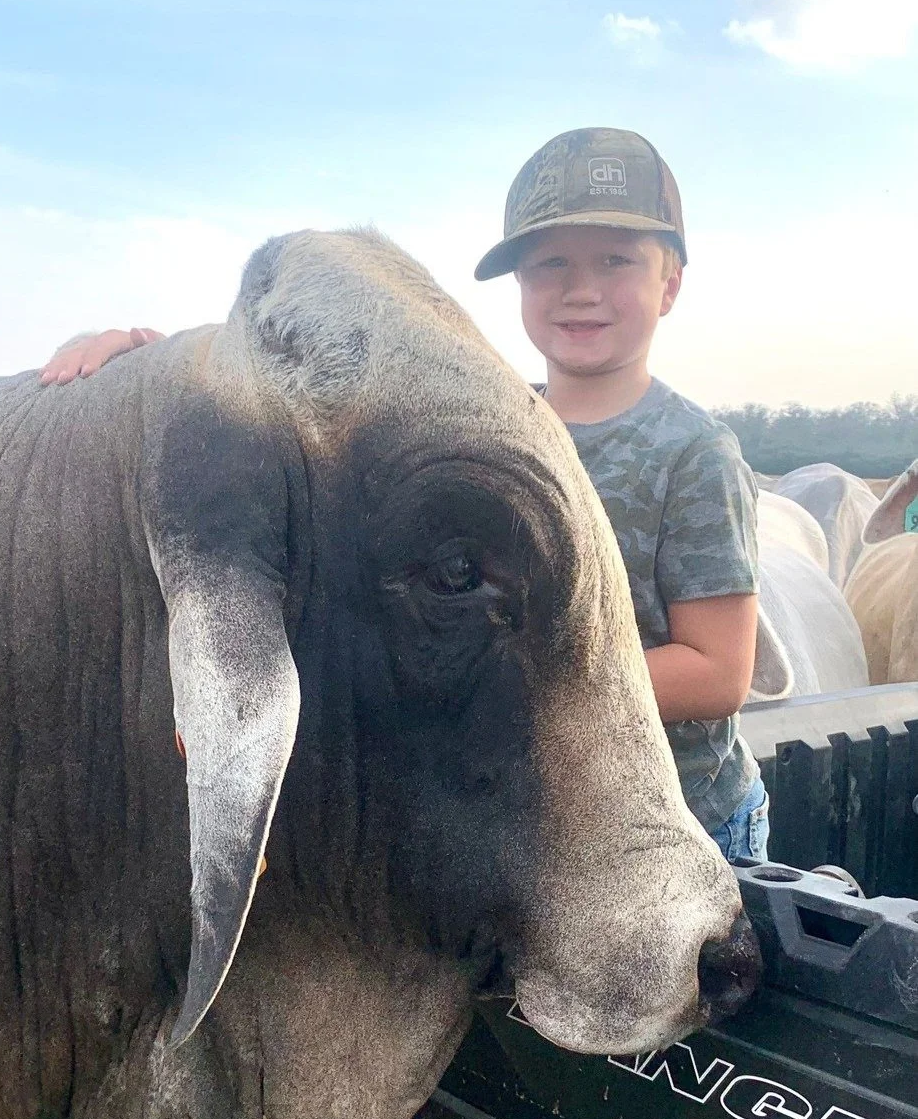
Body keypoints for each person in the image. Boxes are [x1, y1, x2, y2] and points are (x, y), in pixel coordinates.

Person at [38, 127, 769, 863]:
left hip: (685, 823)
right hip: (539, 811)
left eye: (615, 260)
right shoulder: (479, 432)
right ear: (518, 286)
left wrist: (506, 685)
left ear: (669, 282)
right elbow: (298, 417)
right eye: (550, 265)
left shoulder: (694, 454)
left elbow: (718, 671)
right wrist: (152, 365)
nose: (580, 290)